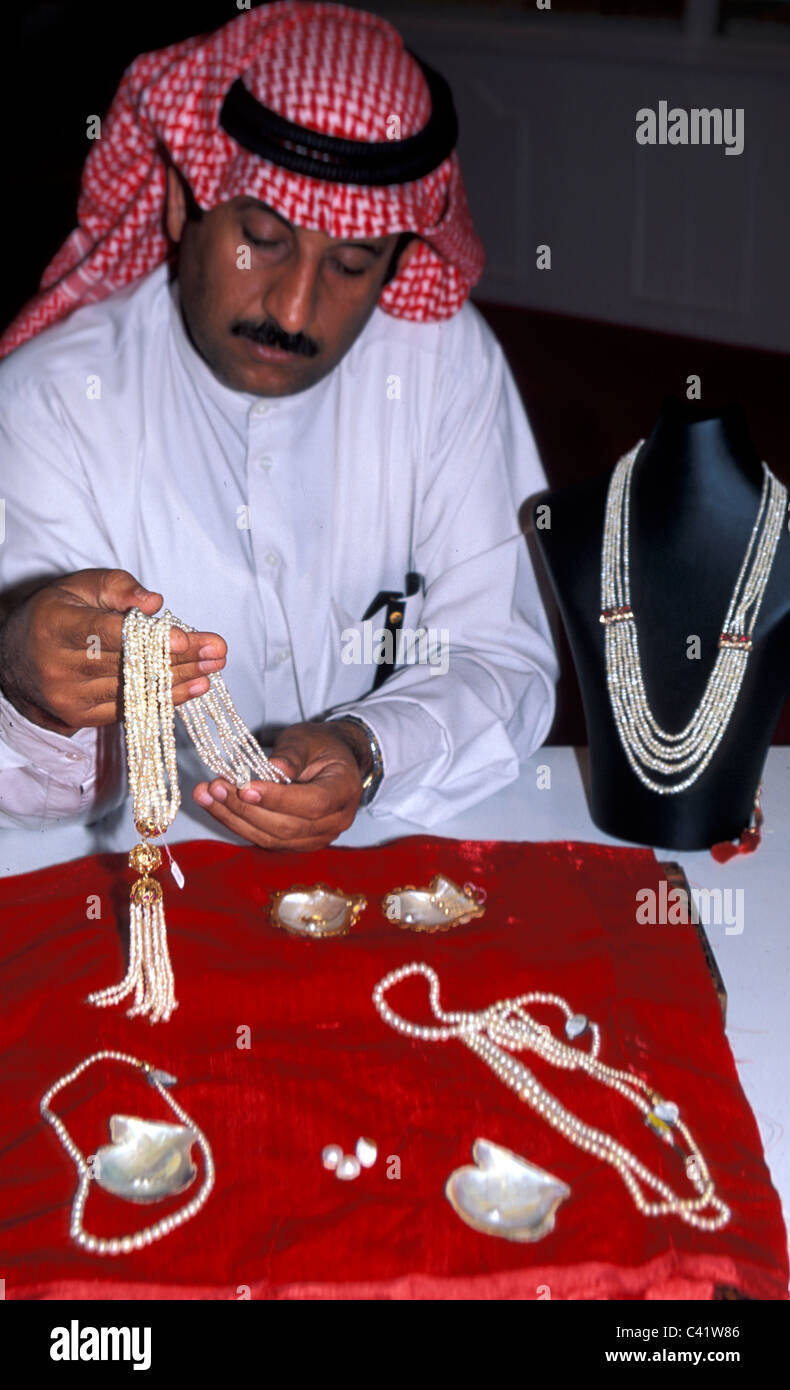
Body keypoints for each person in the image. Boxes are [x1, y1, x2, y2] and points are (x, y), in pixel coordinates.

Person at [0, 1, 557, 864]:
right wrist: (31, 693)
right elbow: (43, 808)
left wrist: (369, 749)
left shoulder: (444, 365)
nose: (295, 310)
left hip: (388, 844)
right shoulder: (53, 399)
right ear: (187, 202)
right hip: (138, 876)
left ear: (398, 260)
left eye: (350, 264)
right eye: (262, 238)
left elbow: (503, 660)